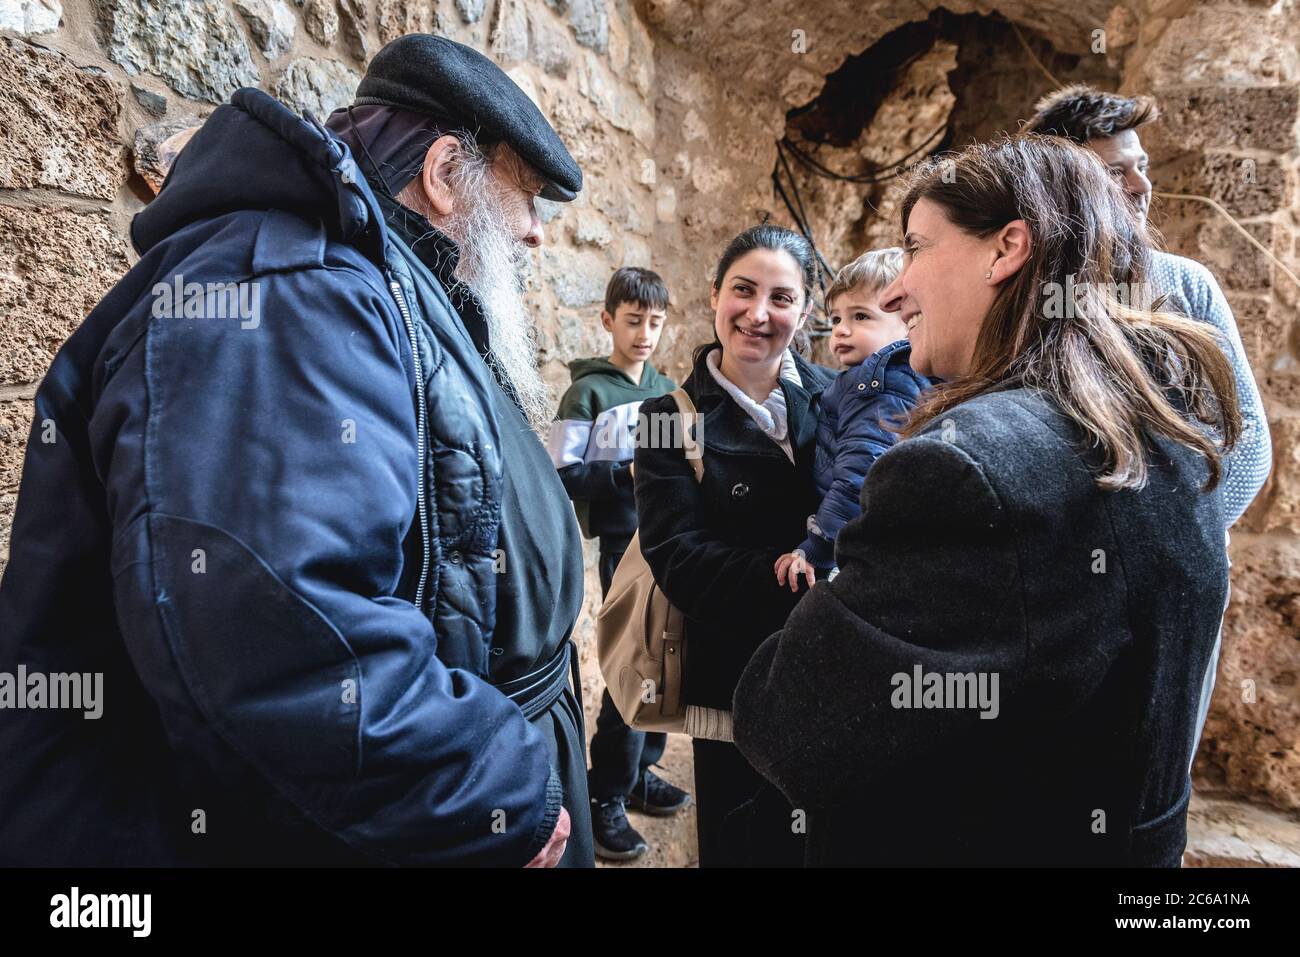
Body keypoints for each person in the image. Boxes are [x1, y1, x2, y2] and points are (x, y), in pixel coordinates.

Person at [0, 34, 592, 867]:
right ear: (445, 171)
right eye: (526, 196)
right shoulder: (281, 293)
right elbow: (283, 651)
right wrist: (495, 789)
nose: (535, 234)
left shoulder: (374, 283)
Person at [732, 135, 1242, 866]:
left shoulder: (962, 470)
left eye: (916, 248)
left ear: (1006, 248)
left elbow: (790, 721)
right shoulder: (1171, 435)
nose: (895, 290)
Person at [1023, 84, 1271, 765]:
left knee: (1154, 778)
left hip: (1175, 586)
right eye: (1115, 170)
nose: (1140, 184)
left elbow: (1245, 438)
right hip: (1056, 586)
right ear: (1063, 186)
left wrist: (1163, 544)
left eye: (1142, 166)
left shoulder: (1188, 288)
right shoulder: (1024, 296)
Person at [633, 224, 836, 867]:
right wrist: (801, 577)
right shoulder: (669, 417)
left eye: (782, 298)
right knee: (740, 837)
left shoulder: (838, 398)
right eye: (743, 291)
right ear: (715, 294)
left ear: (804, 312)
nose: (758, 313)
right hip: (734, 672)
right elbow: (677, 556)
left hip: (837, 663)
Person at [546, 266, 691, 861]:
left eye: (655, 322)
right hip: (620, 546)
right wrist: (624, 474)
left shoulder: (666, 388)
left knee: (668, 656)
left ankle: (638, 770)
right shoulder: (588, 393)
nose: (645, 333)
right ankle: (606, 791)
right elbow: (561, 472)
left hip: (671, 544)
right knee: (635, 664)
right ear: (608, 320)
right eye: (634, 320)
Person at [773, 248, 930, 589]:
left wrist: (817, 547)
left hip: (851, 543)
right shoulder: (872, 379)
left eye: (860, 317)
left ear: (906, 318)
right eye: (836, 320)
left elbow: (862, 470)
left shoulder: (880, 383)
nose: (842, 330)